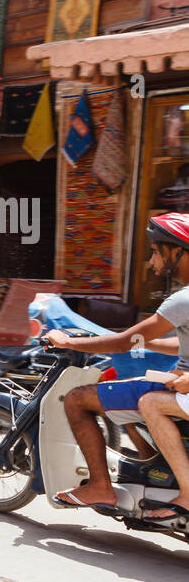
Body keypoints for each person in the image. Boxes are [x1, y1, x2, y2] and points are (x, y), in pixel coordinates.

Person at [47, 216, 189, 517]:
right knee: (122, 389)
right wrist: (146, 343)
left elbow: (123, 343)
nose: (152, 262)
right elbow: (179, 345)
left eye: (154, 251)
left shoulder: (182, 300)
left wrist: (68, 342)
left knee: (77, 399)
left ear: (176, 251)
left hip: (182, 388)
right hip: (179, 382)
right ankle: (155, 468)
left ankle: (100, 486)